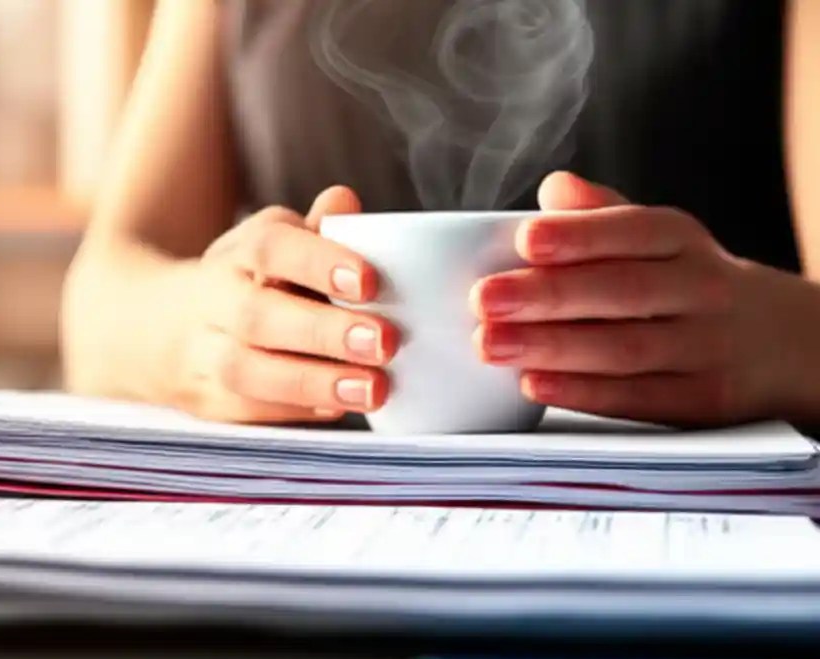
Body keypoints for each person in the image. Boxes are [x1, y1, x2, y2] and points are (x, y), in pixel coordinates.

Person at [60, 0, 820, 431]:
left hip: (694, 547)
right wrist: (202, 334)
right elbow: (100, 298)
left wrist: (775, 337)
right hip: (312, 541)